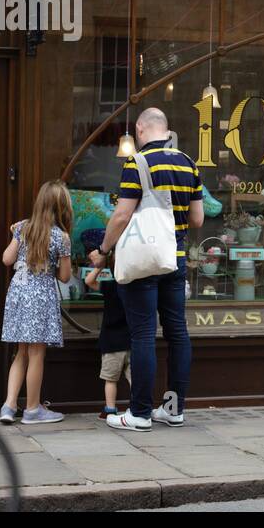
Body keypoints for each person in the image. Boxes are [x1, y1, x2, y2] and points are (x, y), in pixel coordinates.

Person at [91, 108, 202, 431]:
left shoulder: (137, 163)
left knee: (142, 335)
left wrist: (103, 250)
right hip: (175, 258)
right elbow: (197, 220)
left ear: (140, 129)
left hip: (143, 262)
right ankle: (173, 408)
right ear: (166, 130)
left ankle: (139, 413)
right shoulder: (188, 162)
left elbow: (123, 215)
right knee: (177, 332)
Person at [0, 181, 74, 425]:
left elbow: (7, 259)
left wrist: (15, 235)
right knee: (37, 353)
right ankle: (32, 409)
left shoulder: (23, 228)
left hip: (18, 293)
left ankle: (9, 406)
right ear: (62, 207)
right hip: (40, 297)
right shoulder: (61, 237)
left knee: (20, 352)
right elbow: (64, 277)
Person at [82, 229, 130, 418]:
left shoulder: (110, 286)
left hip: (111, 343)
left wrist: (99, 266)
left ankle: (110, 409)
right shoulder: (137, 287)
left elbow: (88, 281)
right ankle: (137, 406)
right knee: (134, 378)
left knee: (110, 379)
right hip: (132, 340)